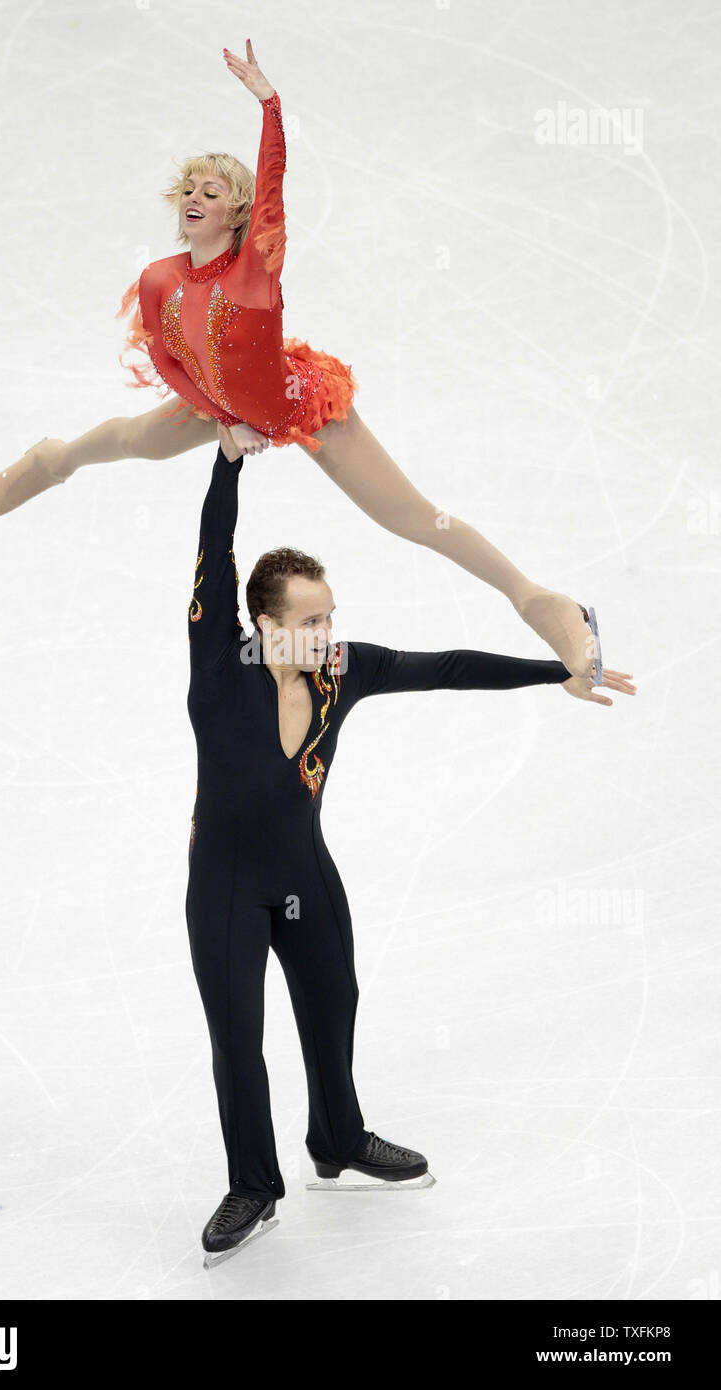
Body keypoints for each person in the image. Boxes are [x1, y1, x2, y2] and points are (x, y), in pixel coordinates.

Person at [0, 40, 603, 683]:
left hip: (297, 403)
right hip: (221, 402)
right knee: (131, 438)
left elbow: (273, 176)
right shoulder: (160, 277)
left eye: (212, 190)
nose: (194, 196)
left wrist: (268, 102)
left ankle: (535, 598)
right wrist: (223, 418)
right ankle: (53, 458)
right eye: (188, 187)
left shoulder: (258, 264)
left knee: (411, 518)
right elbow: (165, 359)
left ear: (238, 210)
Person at [189, 421, 635, 1259]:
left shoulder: (344, 670)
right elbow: (215, 550)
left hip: (303, 875)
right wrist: (226, 461)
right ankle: (252, 1184)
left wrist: (558, 670)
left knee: (334, 1002)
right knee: (238, 1039)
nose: (327, 633)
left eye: (331, 617)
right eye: (310, 620)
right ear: (262, 621)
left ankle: (338, 1138)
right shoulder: (219, 663)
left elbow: (453, 666)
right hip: (223, 886)